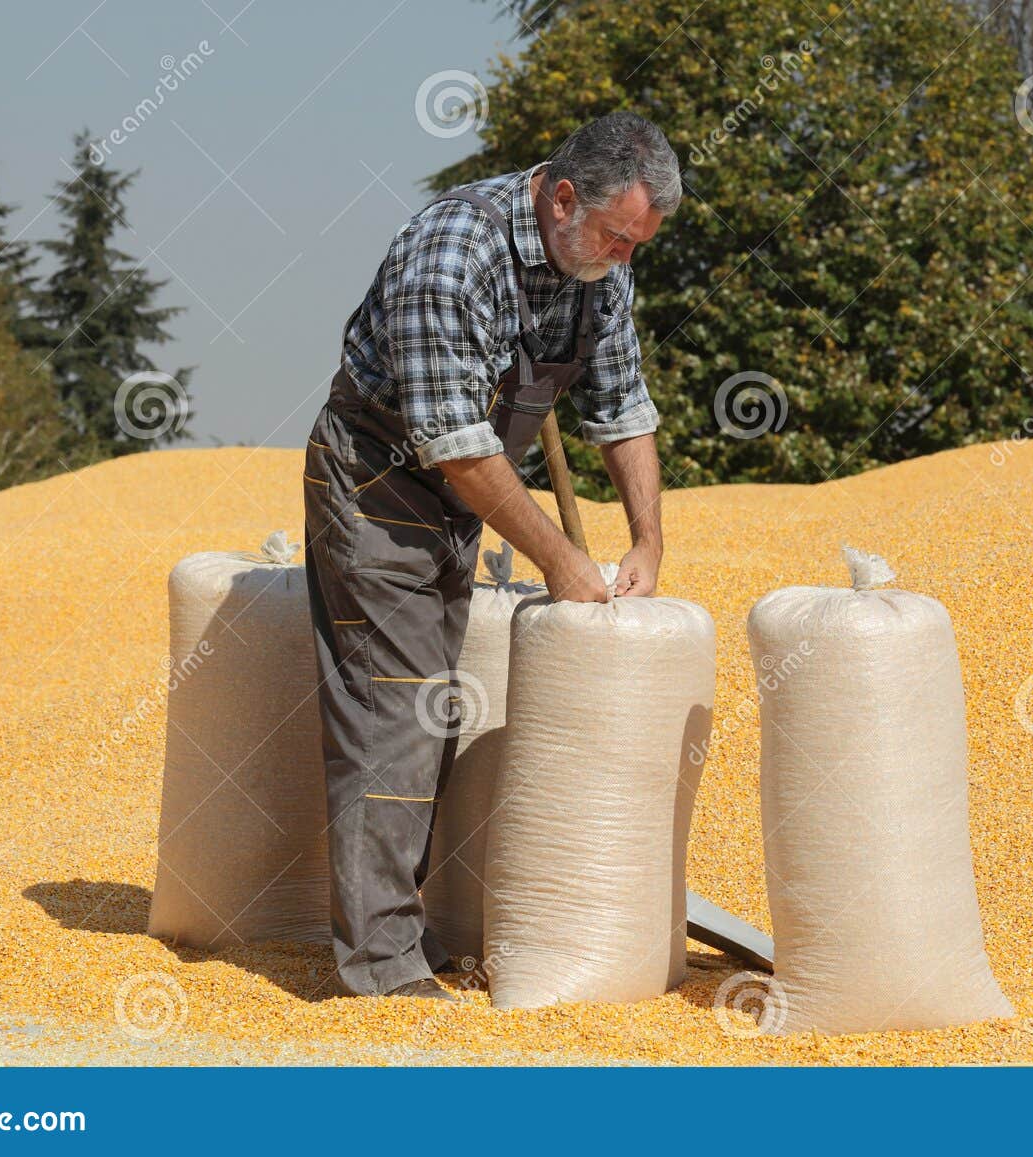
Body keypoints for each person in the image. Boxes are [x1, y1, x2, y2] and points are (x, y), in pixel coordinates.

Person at [302, 111, 681, 1000]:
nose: (624, 259)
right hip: (381, 481)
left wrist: (647, 539)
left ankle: (399, 929)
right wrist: (556, 555)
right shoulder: (454, 250)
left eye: (637, 246)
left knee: (436, 708)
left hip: (465, 495)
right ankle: (380, 973)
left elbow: (622, 408)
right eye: (617, 237)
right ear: (560, 199)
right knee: (391, 708)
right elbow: (456, 443)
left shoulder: (598, 273)